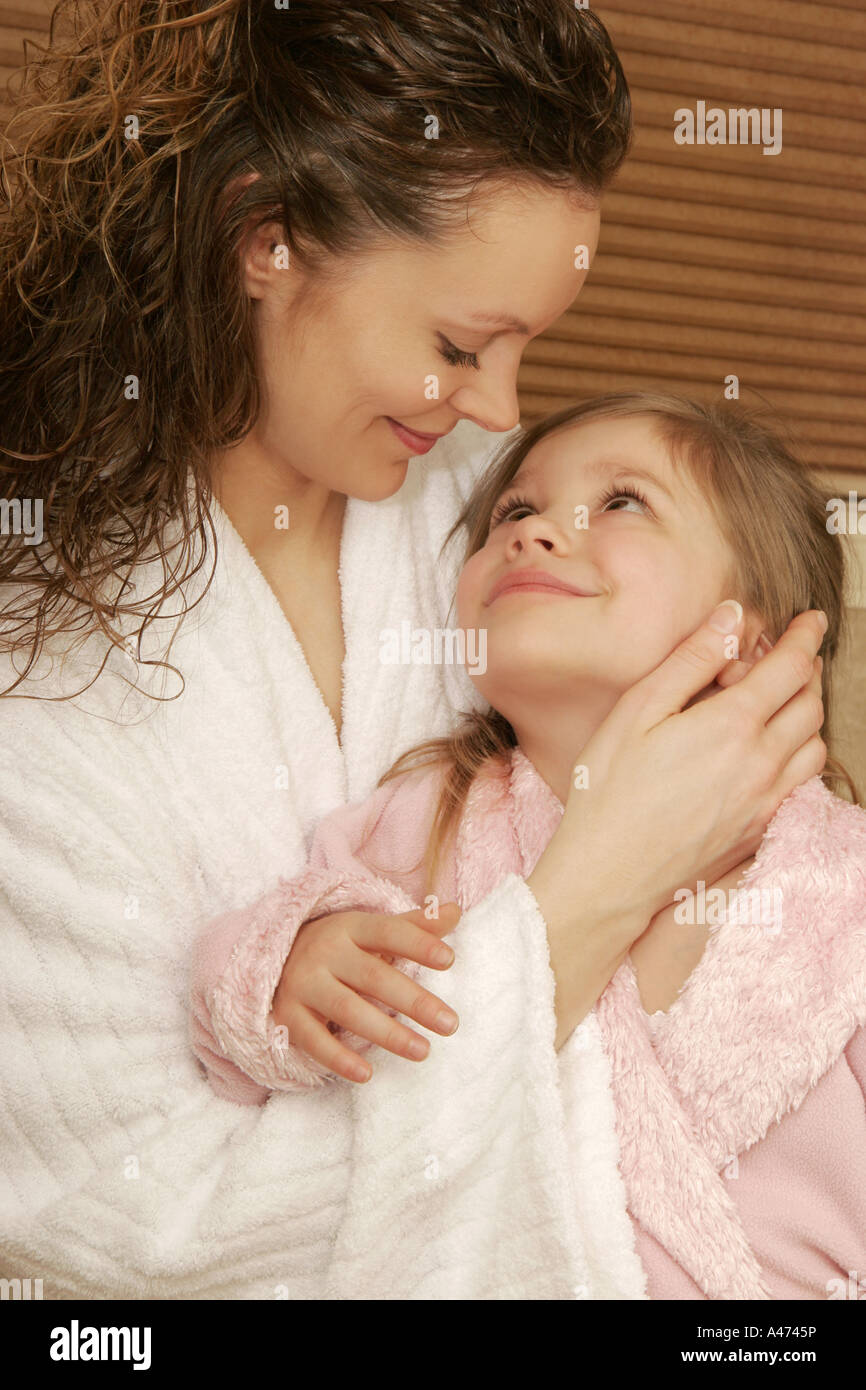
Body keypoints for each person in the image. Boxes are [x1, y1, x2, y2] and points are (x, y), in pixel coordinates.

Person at [0, 2, 826, 1298]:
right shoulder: (38, 656)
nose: (502, 413)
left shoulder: (482, 510)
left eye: (522, 352)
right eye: (457, 346)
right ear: (263, 240)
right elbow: (128, 1216)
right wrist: (591, 892)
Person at [192, 393, 866, 1301]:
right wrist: (292, 972)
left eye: (622, 502)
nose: (536, 531)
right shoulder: (429, 822)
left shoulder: (838, 887)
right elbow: (243, 1024)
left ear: (751, 639)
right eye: (514, 510)